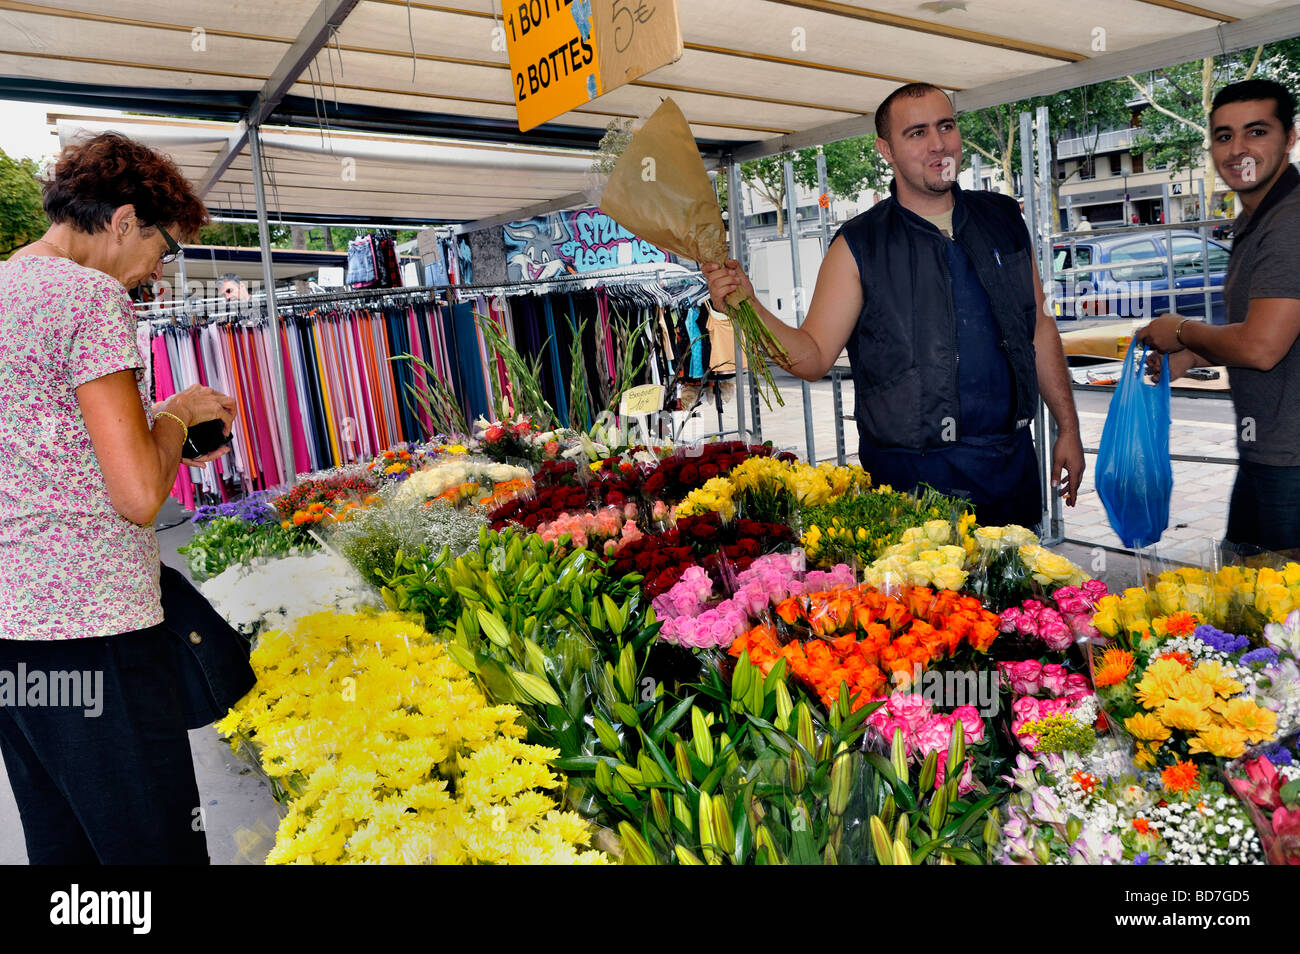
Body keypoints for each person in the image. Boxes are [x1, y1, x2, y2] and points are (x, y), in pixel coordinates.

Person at [0, 132, 239, 863]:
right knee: (154, 846)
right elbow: (138, 493)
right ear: (126, 220)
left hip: (14, 635)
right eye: (165, 249)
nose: (158, 272)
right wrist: (174, 416)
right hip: (97, 628)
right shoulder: (90, 297)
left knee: (64, 847)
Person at [704, 83, 1084, 528]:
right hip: (912, 488)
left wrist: (1068, 426)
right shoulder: (859, 244)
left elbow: (1037, 326)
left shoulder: (1002, 218)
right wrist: (748, 307)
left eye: (946, 126)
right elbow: (811, 356)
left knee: (1018, 595)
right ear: (886, 149)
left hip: (1009, 470)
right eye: (917, 133)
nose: (939, 144)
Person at [1138, 78, 1300, 556]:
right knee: (1244, 595)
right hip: (1267, 451)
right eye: (1225, 136)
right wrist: (1191, 352)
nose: (1238, 149)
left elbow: (1261, 348)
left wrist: (1181, 329)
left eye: (1256, 131)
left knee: (1278, 616)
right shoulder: (1259, 216)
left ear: (1290, 137)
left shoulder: (1290, 221)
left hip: (1291, 460)